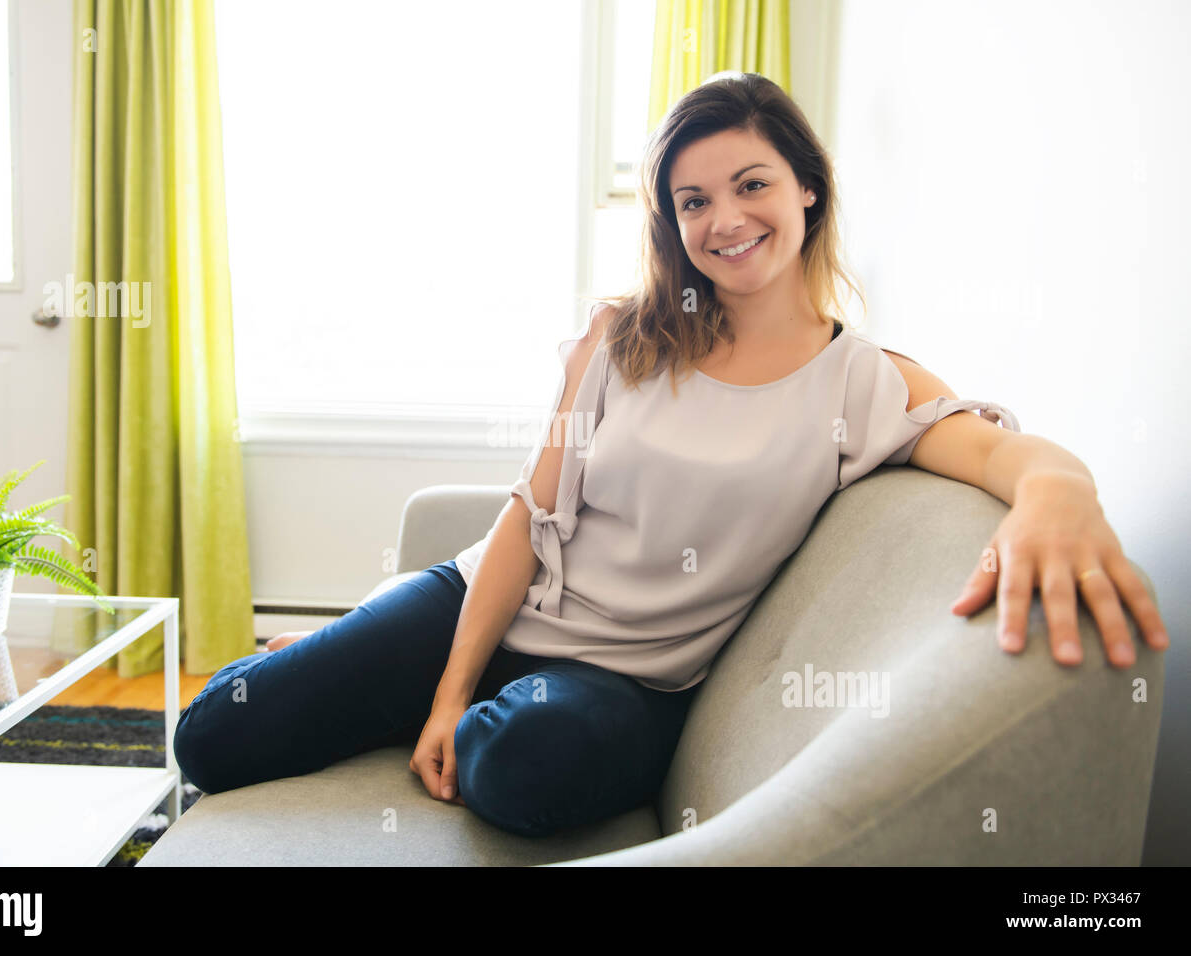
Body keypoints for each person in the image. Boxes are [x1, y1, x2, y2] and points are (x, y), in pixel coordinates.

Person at [173, 73, 1169, 839]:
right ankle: (339, 669)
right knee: (213, 737)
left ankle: (449, 704)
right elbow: (528, 516)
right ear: (670, 220)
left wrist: (1060, 487)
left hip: (624, 682)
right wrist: (442, 688)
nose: (723, 220)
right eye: (691, 201)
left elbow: (1007, 457)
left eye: (749, 184)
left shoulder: (861, 382)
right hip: (474, 602)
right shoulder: (620, 338)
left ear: (808, 190)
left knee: (526, 769)